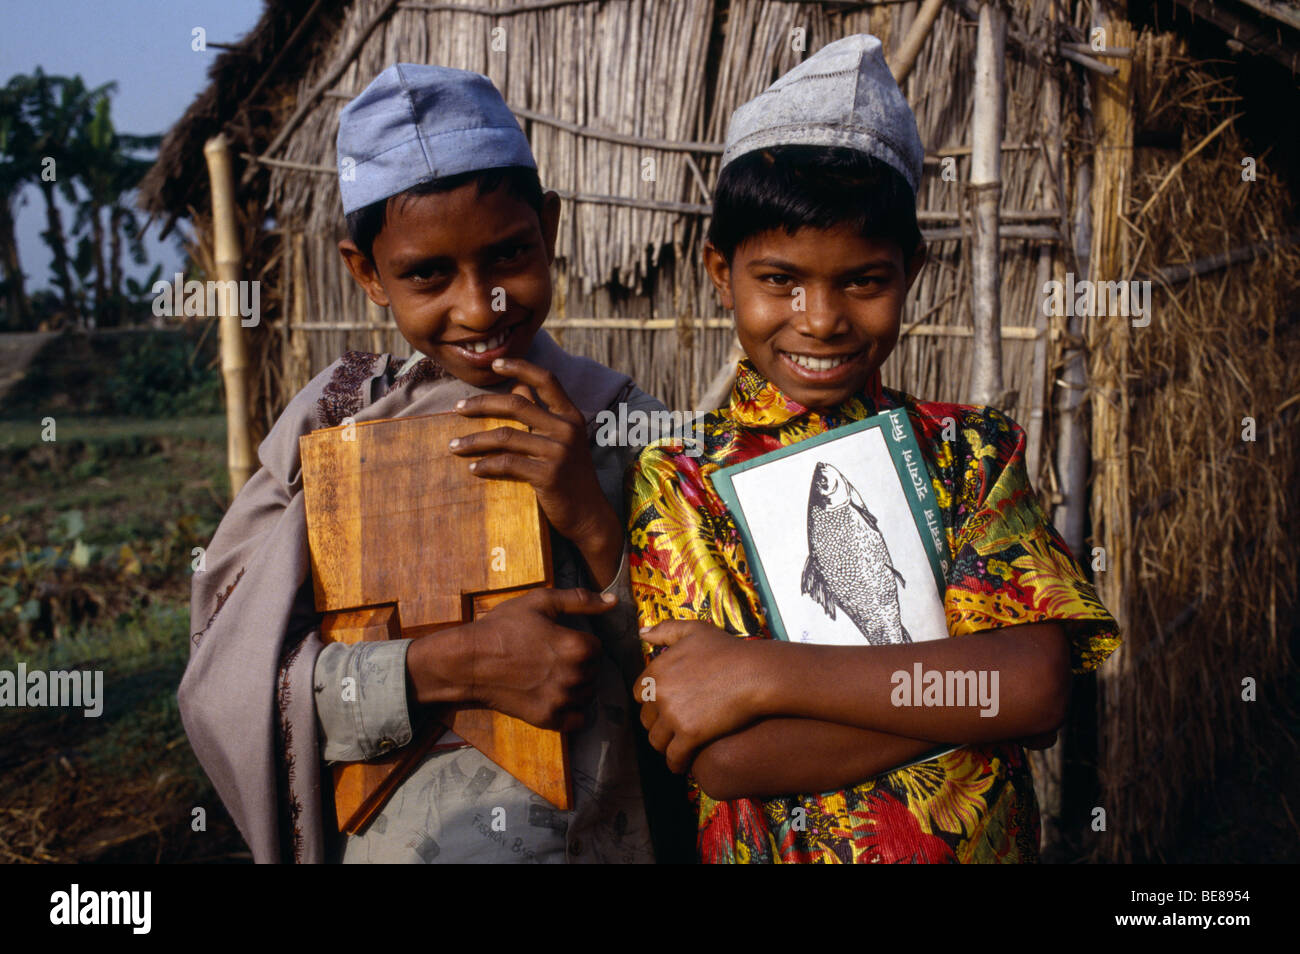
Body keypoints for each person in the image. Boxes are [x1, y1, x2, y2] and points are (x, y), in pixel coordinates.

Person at [627, 34, 1121, 863]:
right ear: (721, 272)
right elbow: (728, 757)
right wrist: (967, 705)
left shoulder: (970, 453)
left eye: (863, 280)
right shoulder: (682, 480)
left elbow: (1036, 688)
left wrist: (765, 675)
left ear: (911, 272)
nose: (820, 319)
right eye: (779, 279)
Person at [180, 63, 677, 863]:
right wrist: (444, 666)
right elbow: (230, 693)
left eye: (510, 255)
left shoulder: (625, 426)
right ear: (367, 273)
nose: (481, 307)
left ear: (549, 230)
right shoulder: (325, 430)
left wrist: (592, 518)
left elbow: (702, 670)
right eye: (428, 274)